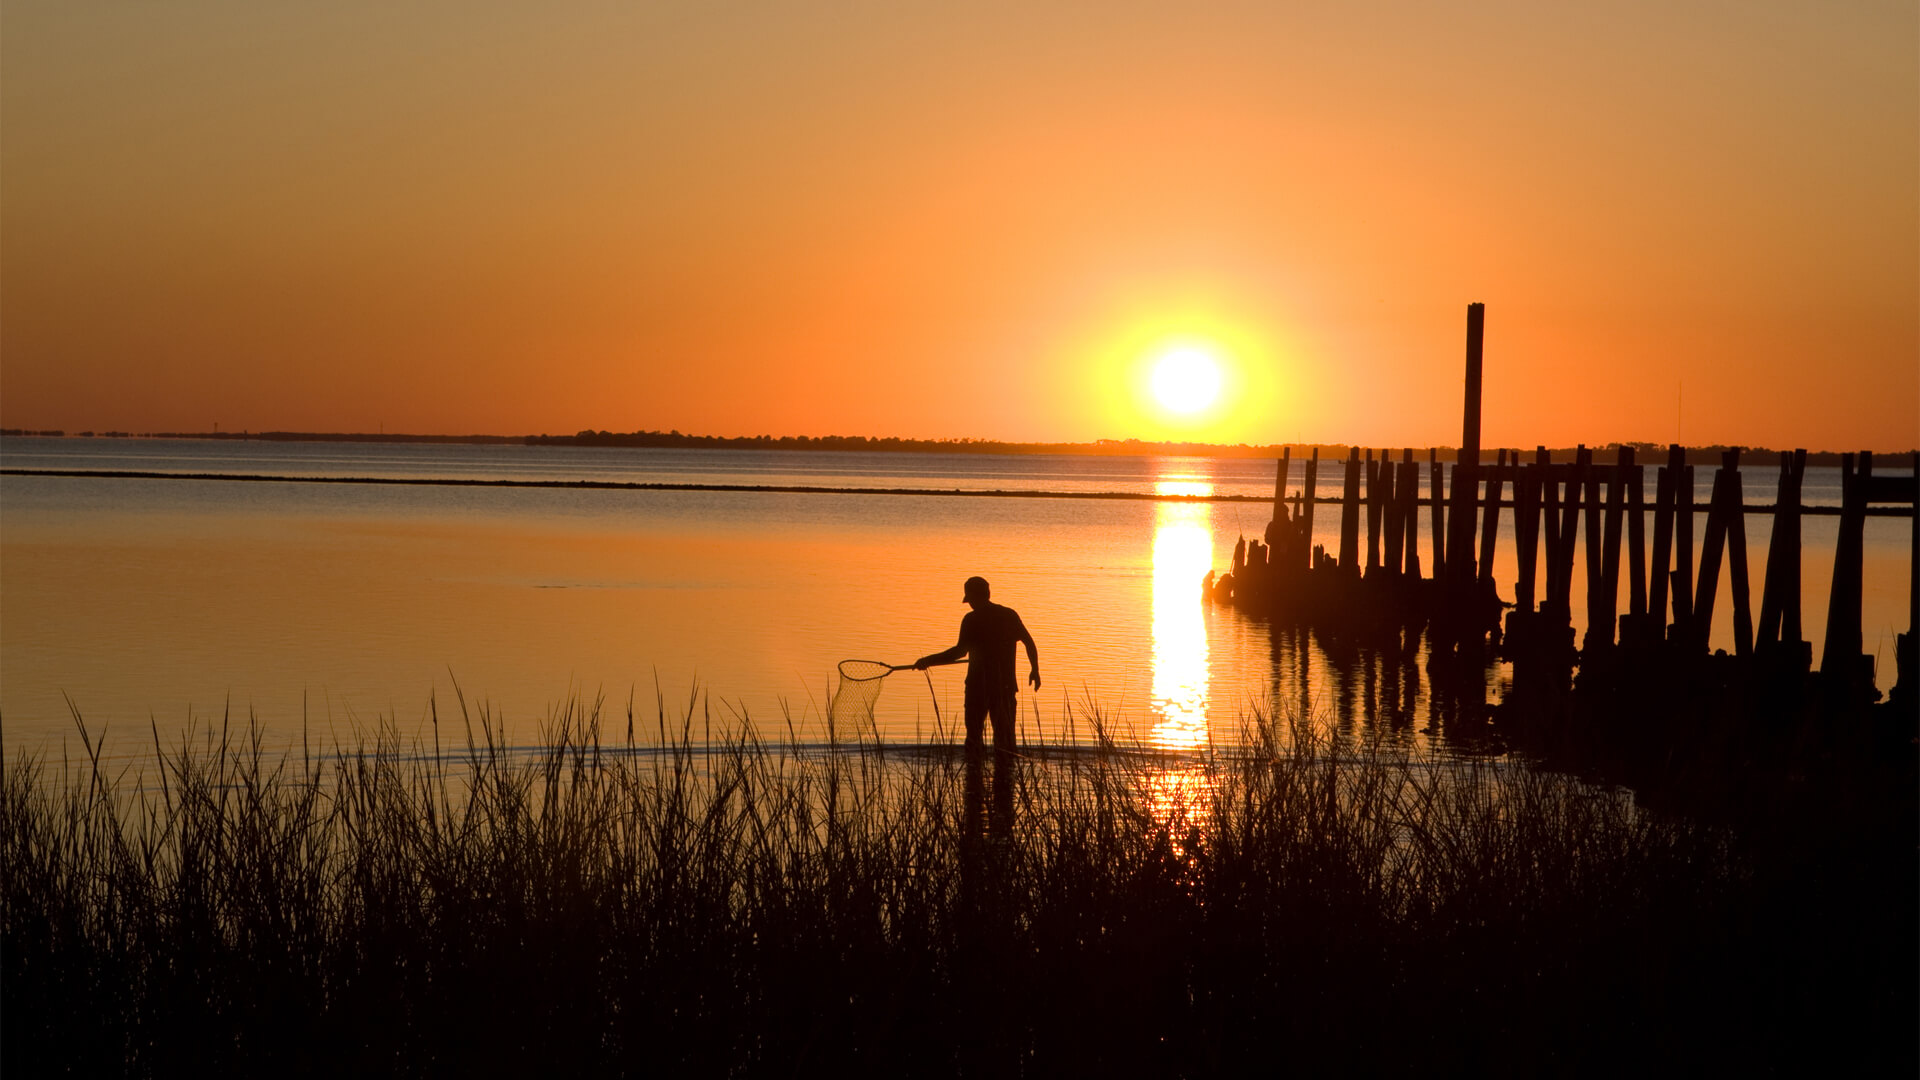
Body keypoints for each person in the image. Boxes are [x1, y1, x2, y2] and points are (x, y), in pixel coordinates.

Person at [914, 576, 1040, 754]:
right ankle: (1005, 769)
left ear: (974, 597)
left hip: (978, 687)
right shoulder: (1008, 615)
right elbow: (1029, 642)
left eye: (970, 599)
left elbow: (959, 652)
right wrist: (1035, 669)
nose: (970, 604)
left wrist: (928, 660)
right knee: (1005, 742)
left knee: (974, 739)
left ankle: (974, 768)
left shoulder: (971, 620)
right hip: (1004, 687)